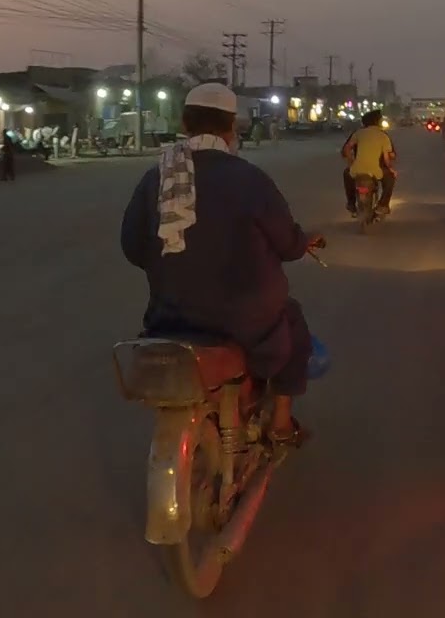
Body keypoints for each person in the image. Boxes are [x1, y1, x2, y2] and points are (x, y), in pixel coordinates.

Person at [120, 82, 323, 446]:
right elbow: (289, 245)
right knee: (293, 321)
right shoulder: (250, 178)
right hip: (245, 322)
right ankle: (280, 423)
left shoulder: (158, 178)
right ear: (233, 128)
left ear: (185, 124)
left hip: (170, 316)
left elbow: (132, 248)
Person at [340, 109, 396, 215]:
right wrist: (391, 169)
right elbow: (387, 159)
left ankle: (351, 203)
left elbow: (346, 149)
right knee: (391, 178)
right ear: (378, 122)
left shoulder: (358, 133)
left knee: (347, 174)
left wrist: (351, 162)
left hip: (356, 169)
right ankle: (382, 205)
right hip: (376, 170)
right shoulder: (383, 136)